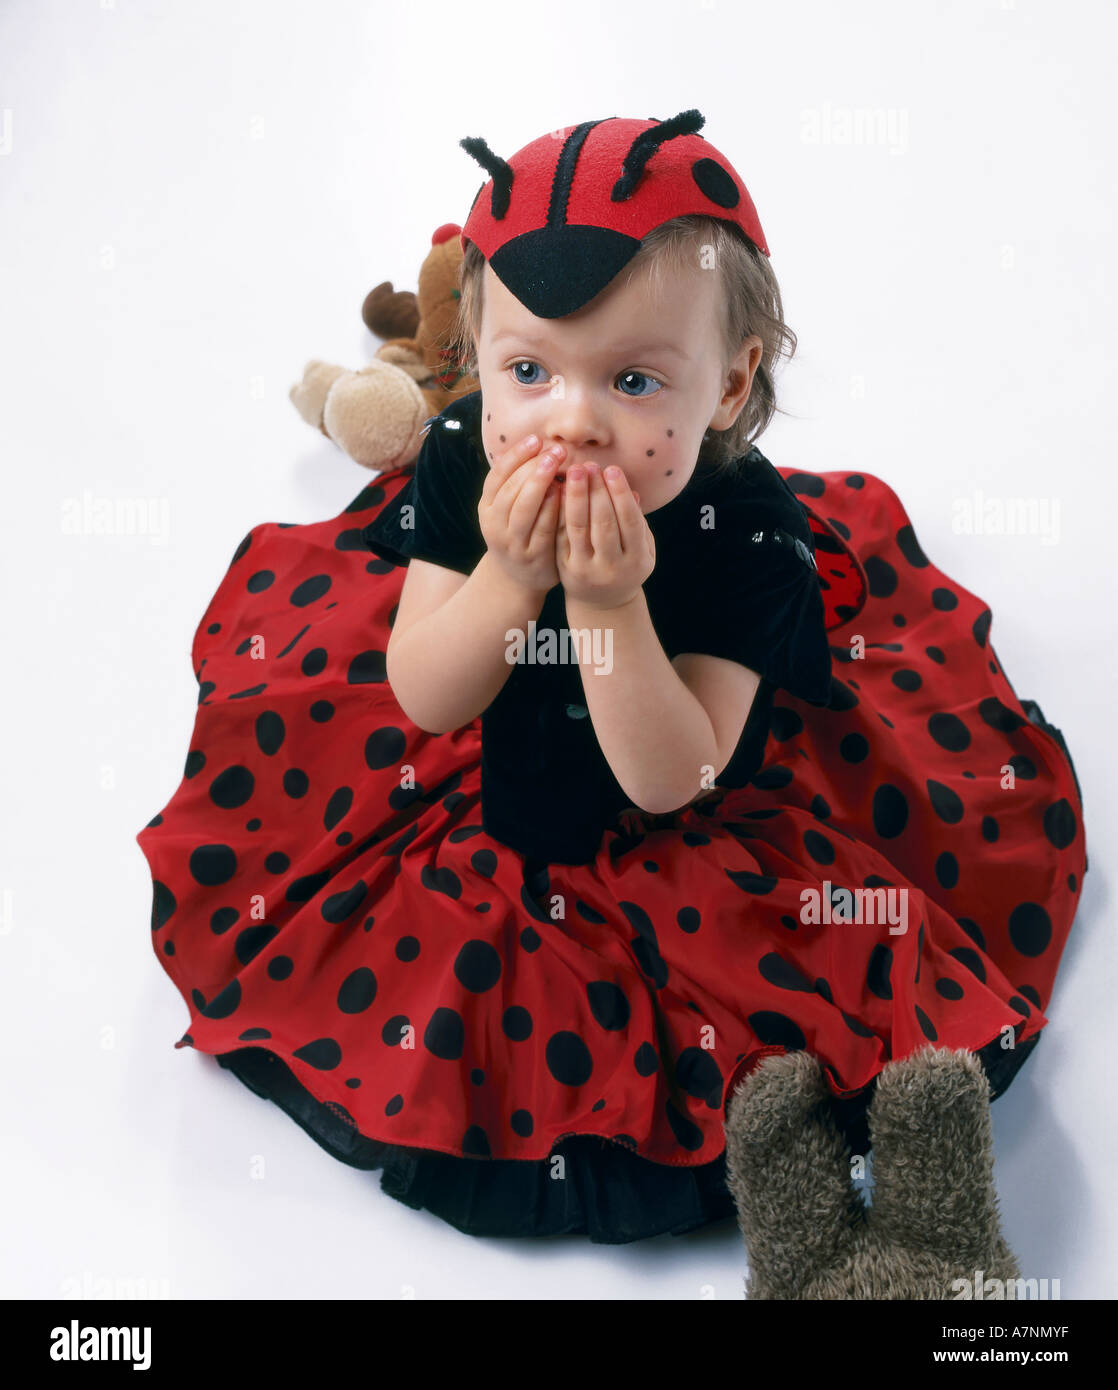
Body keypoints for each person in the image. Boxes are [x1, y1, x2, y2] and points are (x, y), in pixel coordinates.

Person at [136, 111, 1086, 1245]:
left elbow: (670, 774)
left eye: (633, 381)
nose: (570, 424)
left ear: (729, 387)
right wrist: (501, 580)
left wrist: (604, 604)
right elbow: (428, 696)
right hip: (505, 782)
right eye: (527, 371)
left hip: (687, 786)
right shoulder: (458, 450)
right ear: (477, 358)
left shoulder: (739, 528)